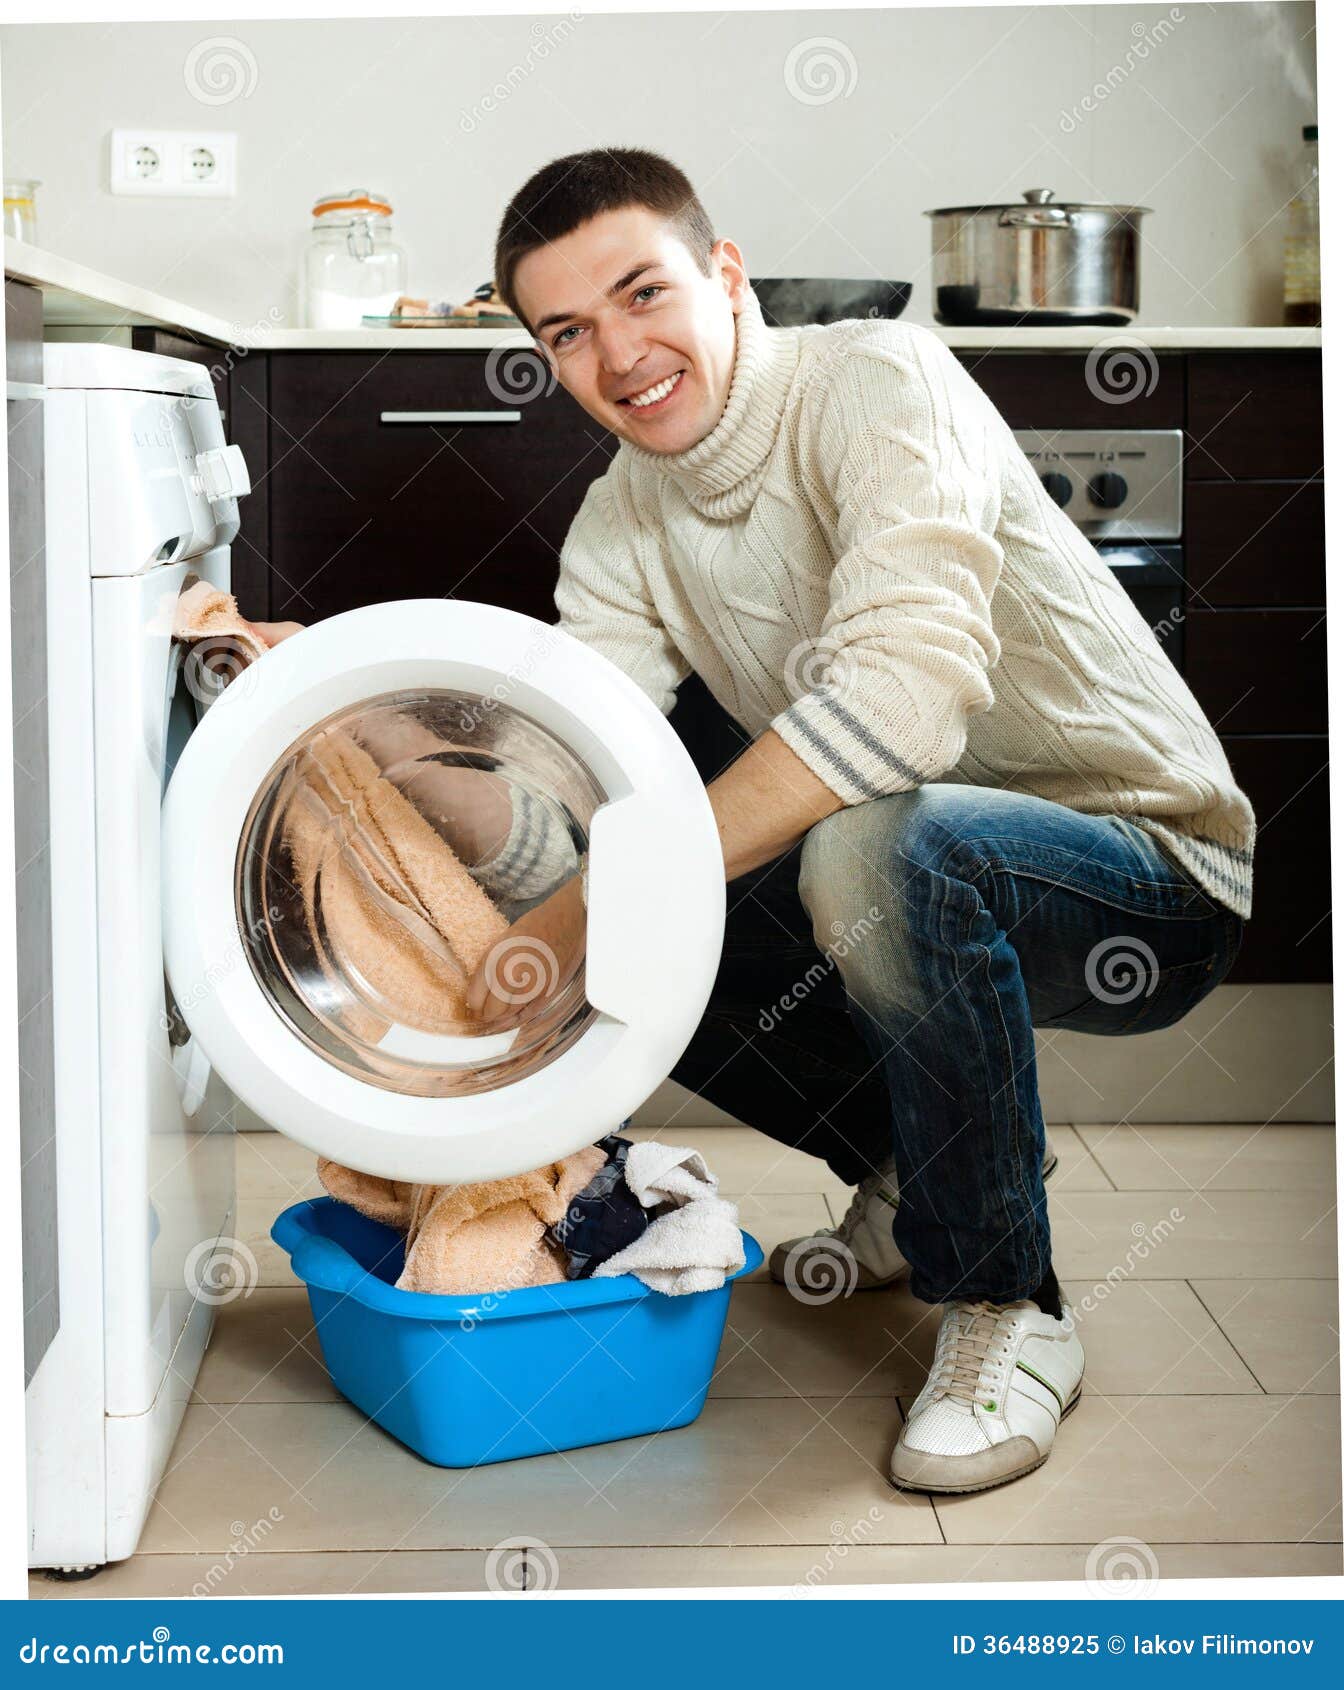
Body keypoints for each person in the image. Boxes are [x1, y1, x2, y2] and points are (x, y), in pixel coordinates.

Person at [258, 145, 1253, 1496]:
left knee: (840, 846)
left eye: (643, 293)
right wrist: (360, 718)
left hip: (1153, 868)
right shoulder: (621, 527)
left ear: (725, 276)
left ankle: (1010, 1303)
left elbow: (900, 701)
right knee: (658, 918)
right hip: (912, 865)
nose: (619, 353)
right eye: (567, 331)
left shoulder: (873, 381)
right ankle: (913, 1176)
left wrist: (577, 914)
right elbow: (562, 805)